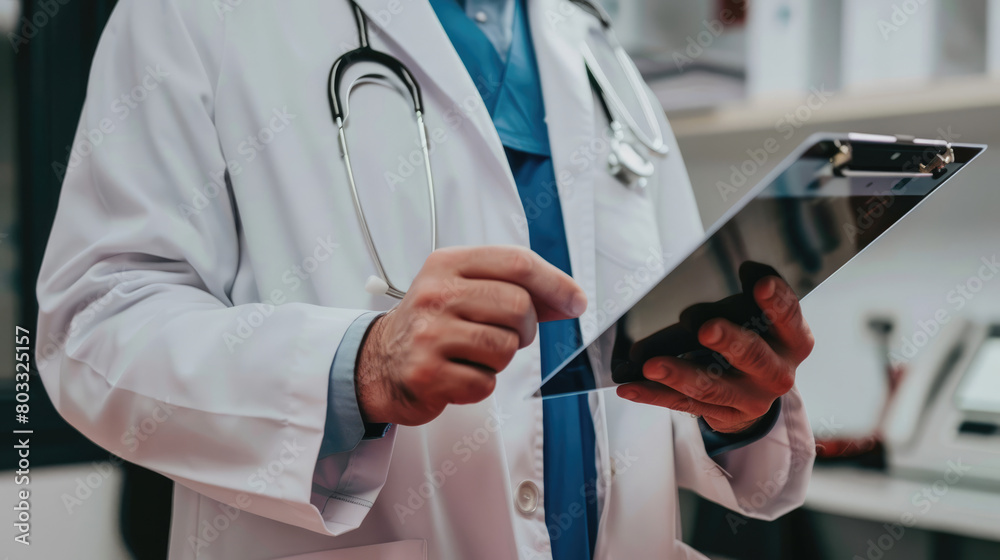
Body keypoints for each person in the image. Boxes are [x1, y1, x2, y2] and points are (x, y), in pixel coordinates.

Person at [35, 0, 817, 558]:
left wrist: (734, 408)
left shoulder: (590, 41)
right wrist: (358, 365)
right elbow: (95, 322)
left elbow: (643, 370)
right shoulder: (196, 16)